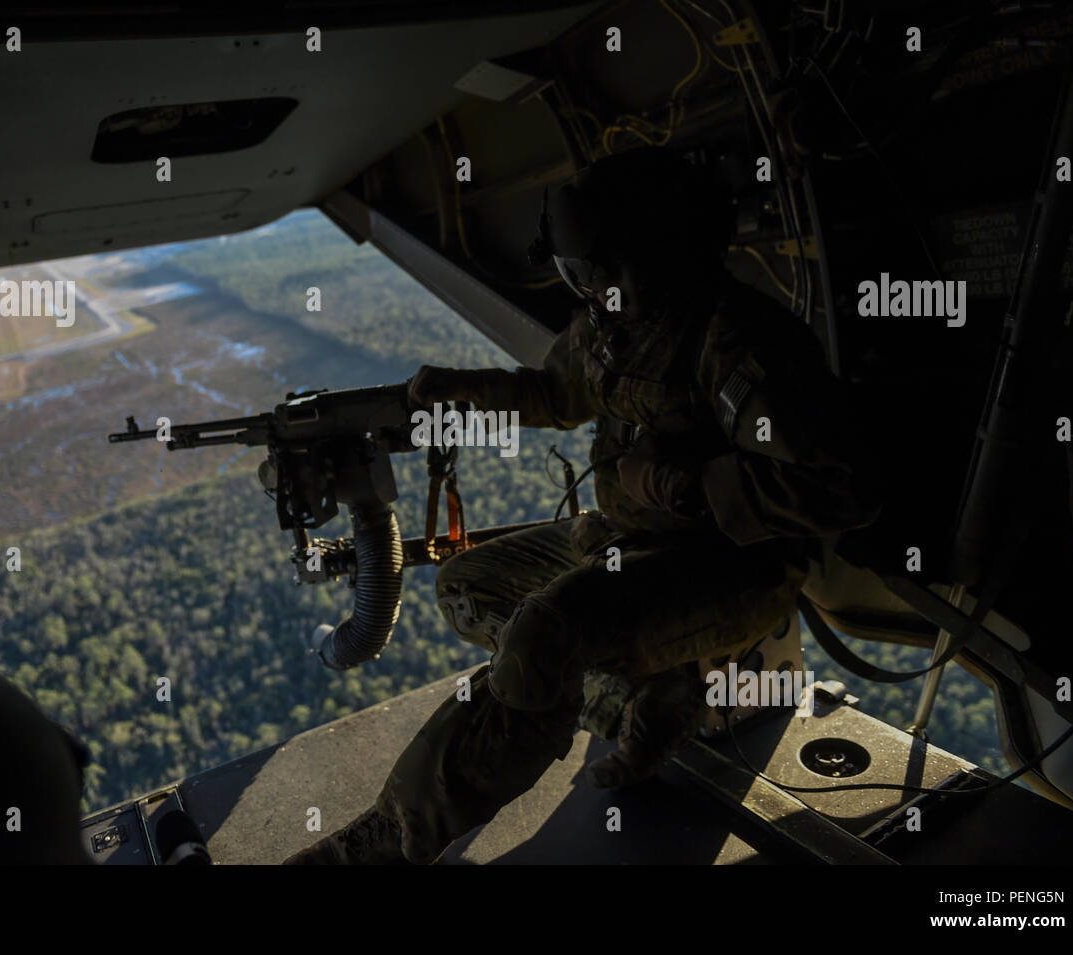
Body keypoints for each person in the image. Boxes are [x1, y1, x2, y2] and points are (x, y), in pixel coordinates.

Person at [285, 147, 880, 864]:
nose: (588, 290)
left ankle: (398, 832)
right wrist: (460, 388)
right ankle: (639, 699)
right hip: (625, 540)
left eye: (595, 273)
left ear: (648, 258)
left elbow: (848, 487)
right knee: (466, 585)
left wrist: (690, 484)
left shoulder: (736, 341)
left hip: (730, 569)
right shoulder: (613, 325)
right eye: (582, 276)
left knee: (542, 638)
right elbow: (555, 395)